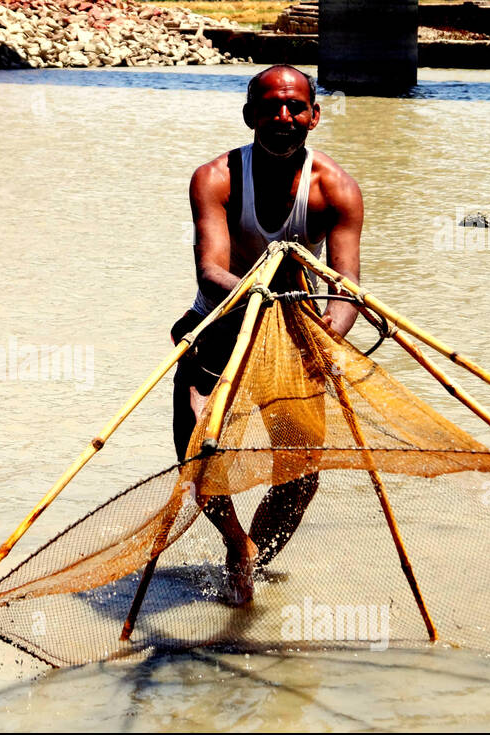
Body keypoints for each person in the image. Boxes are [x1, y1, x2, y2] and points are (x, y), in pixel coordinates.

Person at [172, 64, 364, 604]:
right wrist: (260, 296)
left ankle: (252, 560)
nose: (283, 117)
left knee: (301, 473)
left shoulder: (337, 188)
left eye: (296, 107)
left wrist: (334, 332)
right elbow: (210, 269)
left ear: (314, 116)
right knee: (198, 454)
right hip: (220, 326)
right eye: (271, 107)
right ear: (250, 115)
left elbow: (347, 284)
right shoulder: (217, 178)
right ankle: (236, 545)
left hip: (296, 337)